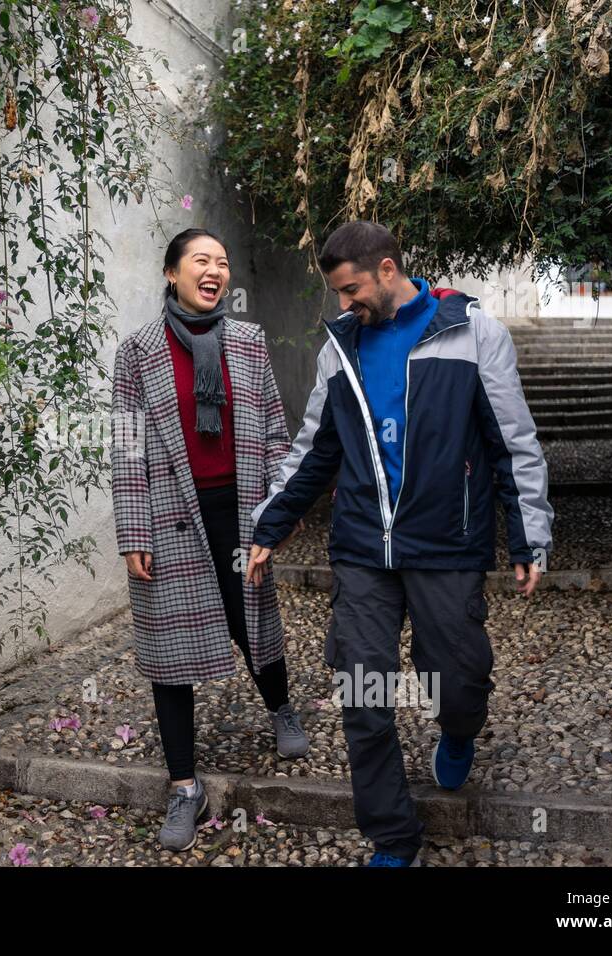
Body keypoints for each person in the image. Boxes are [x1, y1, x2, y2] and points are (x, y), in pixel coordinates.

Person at [246, 221, 553, 867]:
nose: (343, 304)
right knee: (363, 693)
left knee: (457, 679)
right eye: (336, 292)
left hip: (447, 543)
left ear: (388, 270)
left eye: (351, 288)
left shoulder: (472, 334)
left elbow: (512, 441)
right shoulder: (342, 349)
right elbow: (313, 449)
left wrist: (529, 535)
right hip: (362, 550)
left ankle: (460, 728)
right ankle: (393, 835)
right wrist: (269, 527)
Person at [110, 227, 310, 853]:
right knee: (168, 651)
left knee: (253, 617)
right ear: (171, 272)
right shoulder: (135, 352)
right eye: (201, 260)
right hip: (169, 514)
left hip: (240, 507)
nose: (215, 270)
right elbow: (127, 449)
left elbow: (277, 430)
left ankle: (280, 707)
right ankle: (184, 787)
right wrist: (132, 530)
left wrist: (278, 510)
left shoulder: (249, 343)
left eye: (222, 262)